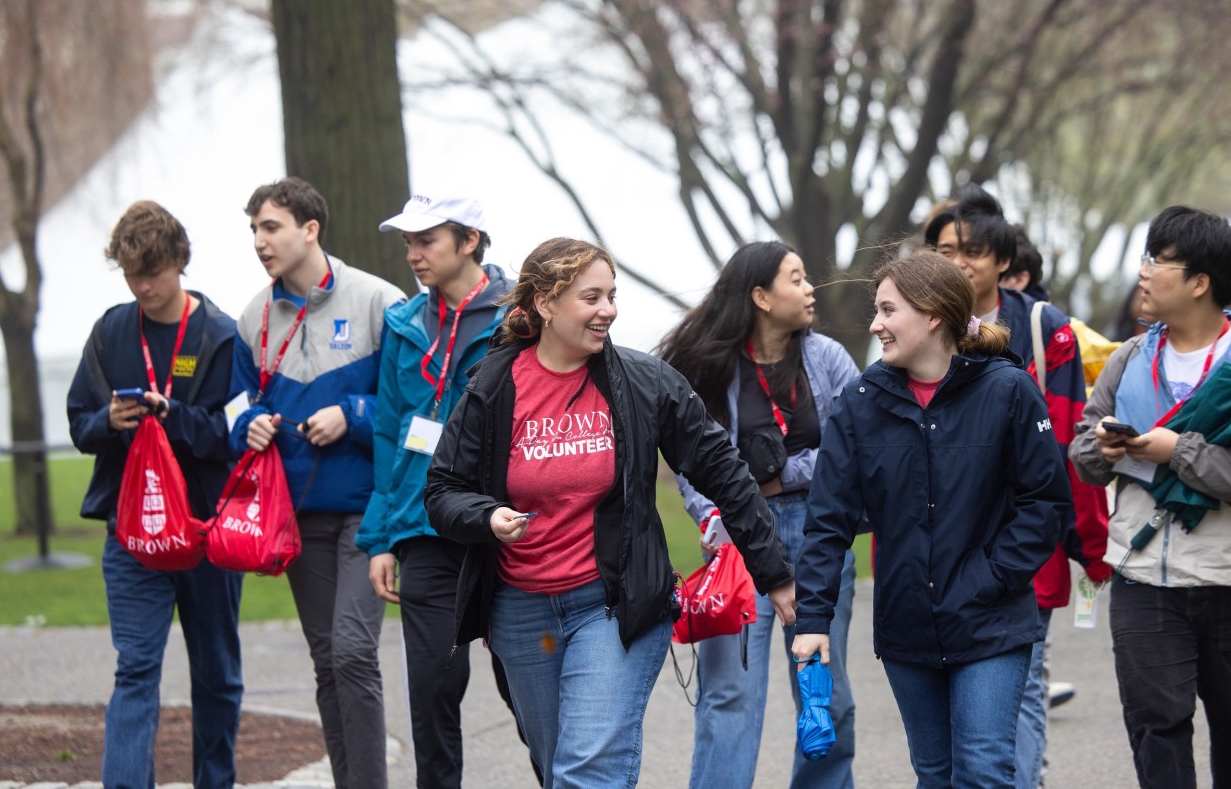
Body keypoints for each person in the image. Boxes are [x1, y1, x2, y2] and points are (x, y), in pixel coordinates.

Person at [423, 237, 796, 789]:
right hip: (523, 613)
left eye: (612, 296)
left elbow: (724, 472)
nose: (608, 311)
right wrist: (486, 516)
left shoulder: (645, 383)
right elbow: (443, 488)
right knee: (558, 771)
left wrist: (775, 574)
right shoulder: (496, 385)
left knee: (586, 771)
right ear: (546, 305)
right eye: (590, 297)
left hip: (612, 606)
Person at [792, 250, 1070, 787]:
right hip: (908, 624)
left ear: (933, 315)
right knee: (935, 774)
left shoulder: (1008, 390)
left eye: (888, 310)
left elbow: (1044, 502)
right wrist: (813, 620)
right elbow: (828, 519)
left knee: (984, 770)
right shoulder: (860, 403)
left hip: (991, 619)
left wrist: (992, 578)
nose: (875, 325)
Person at [1070, 205, 1231, 789]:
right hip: (1143, 578)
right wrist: (1104, 451)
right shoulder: (1128, 358)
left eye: (1158, 260)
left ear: (1200, 283)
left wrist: (1180, 453)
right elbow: (1084, 454)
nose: (1143, 273)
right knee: (1156, 726)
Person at [656, 241, 860, 789]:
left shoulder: (830, 359)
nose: (811, 288)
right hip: (739, 540)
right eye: (797, 279)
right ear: (761, 297)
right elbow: (696, 464)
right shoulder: (710, 367)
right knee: (729, 696)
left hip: (820, 536)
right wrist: (711, 519)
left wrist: (777, 473)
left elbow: (851, 451)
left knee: (825, 691)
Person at [926, 186, 1110, 789]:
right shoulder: (920, 325)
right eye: (945, 249)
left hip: (1020, 534)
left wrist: (1082, 540)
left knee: (1025, 679)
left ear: (1003, 259)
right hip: (939, 536)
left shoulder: (1041, 327)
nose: (958, 262)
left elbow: (1063, 439)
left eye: (971, 250)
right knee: (941, 679)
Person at [229, 177, 404, 788]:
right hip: (295, 515)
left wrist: (352, 415)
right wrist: (249, 424)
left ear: (310, 229)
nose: (259, 241)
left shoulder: (379, 301)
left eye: (270, 227)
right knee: (328, 664)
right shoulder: (253, 315)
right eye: (253, 229)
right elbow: (233, 405)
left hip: (366, 512)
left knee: (353, 654)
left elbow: (412, 407)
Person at [356, 193, 533, 786]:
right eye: (407, 242)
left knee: (529, 697)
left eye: (425, 240)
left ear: (470, 241)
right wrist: (381, 537)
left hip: (503, 526)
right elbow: (387, 432)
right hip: (422, 529)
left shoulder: (520, 319)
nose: (412, 254)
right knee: (432, 694)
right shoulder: (403, 324)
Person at [67, 201, 243, 788]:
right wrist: (108, 422)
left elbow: (232, 435)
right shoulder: (112, 329)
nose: (143, 286)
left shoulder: (220, 335)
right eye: (131, 274)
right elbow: (78, 422)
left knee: (216, 673)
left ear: (181, 262)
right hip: (133, 532)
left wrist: (173, 415)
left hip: (203, 531)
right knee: (136, 668)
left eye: (154, 274)